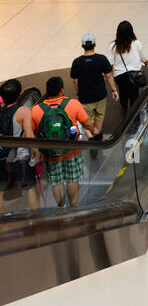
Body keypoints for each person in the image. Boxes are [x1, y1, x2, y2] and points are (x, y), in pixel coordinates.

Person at [31, 77, 94, 210]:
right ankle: (73, 207)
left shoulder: (36, 110)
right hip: (72, 150)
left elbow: (32, 134)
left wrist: (37, 152)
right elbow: (87, 123)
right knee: (72, 179)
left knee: (56, 181)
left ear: (47, 91)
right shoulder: (72, 103)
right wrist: (95, 131)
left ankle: (61, 207)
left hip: (50, 153)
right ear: (62, 90)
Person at [0, 77, 39, 213]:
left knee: (0, 191)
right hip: (20, 158)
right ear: (19, 94)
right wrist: (36, 151)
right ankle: (36, 218)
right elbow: (29, 135)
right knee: (30, 187)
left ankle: (2, 224)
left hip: (1, 157)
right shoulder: (23, 111)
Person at [71, 34, 118, 139]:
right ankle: (96, 133)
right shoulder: (101, 59)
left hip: (85, 97)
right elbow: (109, 75)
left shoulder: (77, 62)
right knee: (99, 116)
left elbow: (75, 80)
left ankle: (91, 136)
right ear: (95, 44)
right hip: (100, 95)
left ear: (82, 46)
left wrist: (78, 93)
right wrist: (114, 90)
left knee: (87, 119)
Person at [110, 21, 148, 113]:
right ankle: (133, 115)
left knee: (123, 92)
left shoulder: (114, 46)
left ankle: (124, 108)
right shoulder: (137, 43)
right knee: (134, 94)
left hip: (119, 75)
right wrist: (146, 61)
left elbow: (110, 61)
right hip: (134, 75)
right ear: (131, 31)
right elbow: (142, 57)